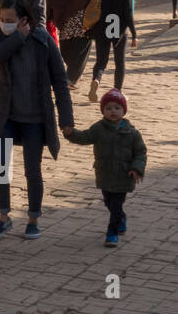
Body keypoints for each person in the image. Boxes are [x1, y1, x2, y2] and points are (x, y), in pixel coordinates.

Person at [0, 0, 74, 240]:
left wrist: (66, 119)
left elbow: (60, 81)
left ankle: (33, 218)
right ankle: (4, 217)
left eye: (10, 20)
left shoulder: (43, 40)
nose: (5, 23)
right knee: (0, 166)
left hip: (35, 117)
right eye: (2, 19)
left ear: (24, 19)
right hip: (5, 113)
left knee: (33, 170)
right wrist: (17, 37)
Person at [62, 89, 147, 248]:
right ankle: (121, 217)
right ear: (103, 111)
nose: (113, 111)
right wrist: (71, 133)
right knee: (108, 202)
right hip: (105, 173)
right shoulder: (98, 128)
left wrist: (136, 168)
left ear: (123, 110)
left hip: (124, 175)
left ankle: (112, 232)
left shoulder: (132, 133)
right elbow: (85, 137)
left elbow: (140, 153)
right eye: (108, 108)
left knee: (116, 204)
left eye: (117, 108)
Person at [86, 0, 137, 101]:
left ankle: (96, 79)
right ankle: (117, 90)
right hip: (118, 28)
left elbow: (89, 3)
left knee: (101, 60)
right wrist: (134, 34)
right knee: (119, 62)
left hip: (101, 27)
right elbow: (128, 14)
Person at [50, 0, 95, 89]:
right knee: (81, 53)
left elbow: (53, 2)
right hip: (84, 25)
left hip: (65, 24)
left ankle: (72, 76)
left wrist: (53, 18)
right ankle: (71, 78)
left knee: (68, 52)